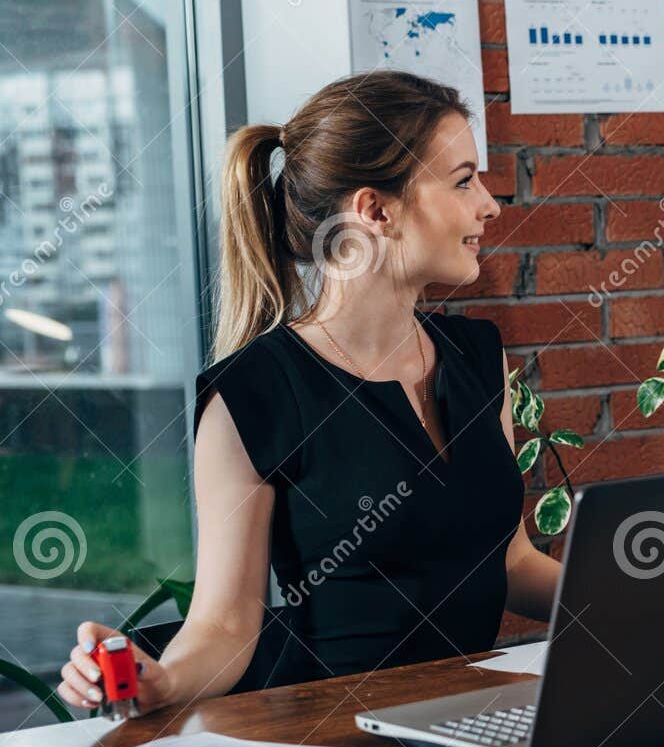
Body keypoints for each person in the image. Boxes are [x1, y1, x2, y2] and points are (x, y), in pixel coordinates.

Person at [55, 71, 560, 713]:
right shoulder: (253, 392)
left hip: (470, 718)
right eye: (464, 181)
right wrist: (167, 682)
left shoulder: (478, 356)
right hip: (334, 740)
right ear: (376, 210)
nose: (490, 204)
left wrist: (653, 589)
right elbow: (225, 624)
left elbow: (509, 561)